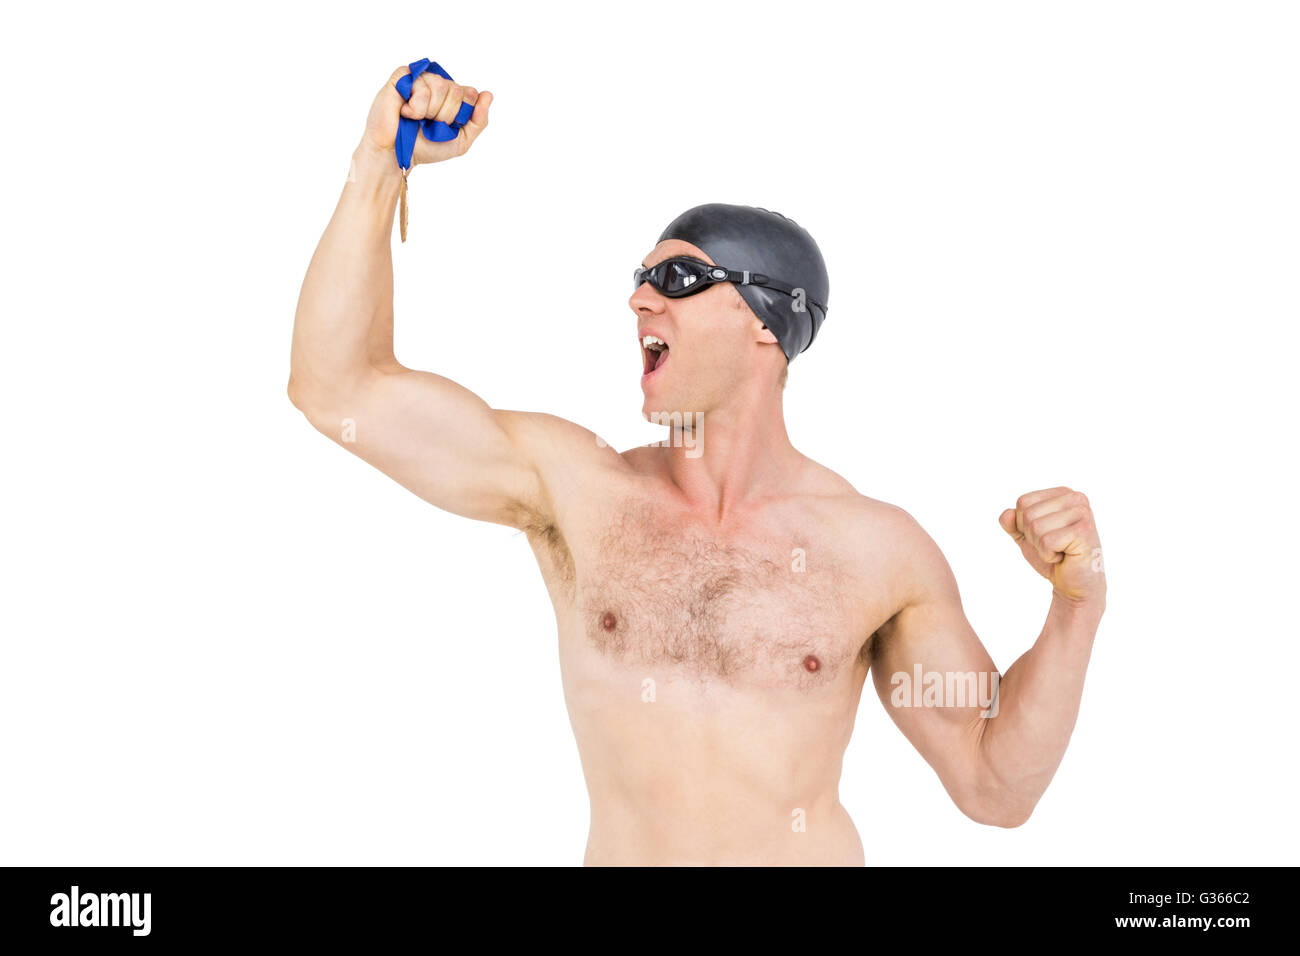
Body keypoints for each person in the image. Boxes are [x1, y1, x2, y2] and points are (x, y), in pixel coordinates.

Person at [288, 64, 1107, 866]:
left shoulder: (876, 551)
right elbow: (337, 387)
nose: (641, 299)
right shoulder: (575, 490)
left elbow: (995, 785)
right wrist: (378, 163)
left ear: (766, 324)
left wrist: (1075, 608)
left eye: (677, 279)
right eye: (640, 279)